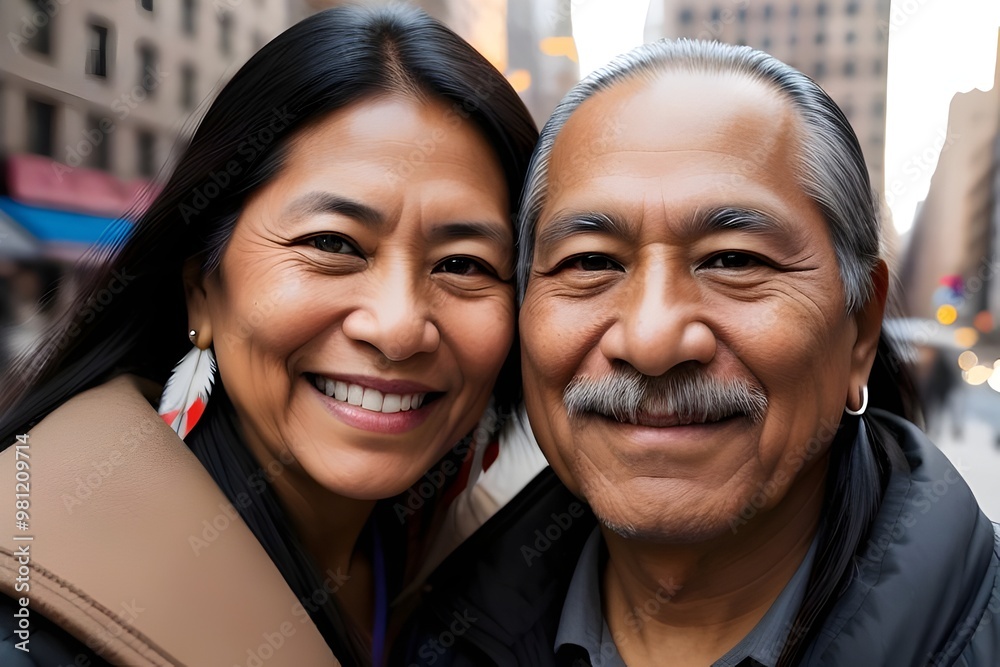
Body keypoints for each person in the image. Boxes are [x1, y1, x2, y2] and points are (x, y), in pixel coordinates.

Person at [399, 39, 1000, 667]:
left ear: (861, 330)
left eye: (733, 260)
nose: (653, 341)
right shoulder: (431, 635)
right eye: (590, 262)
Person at [0, 6, 537, 666]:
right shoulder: (32, 621)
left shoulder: (488, 565)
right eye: (332, 244)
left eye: (463, 264)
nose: (398, 328)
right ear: (202, 286)